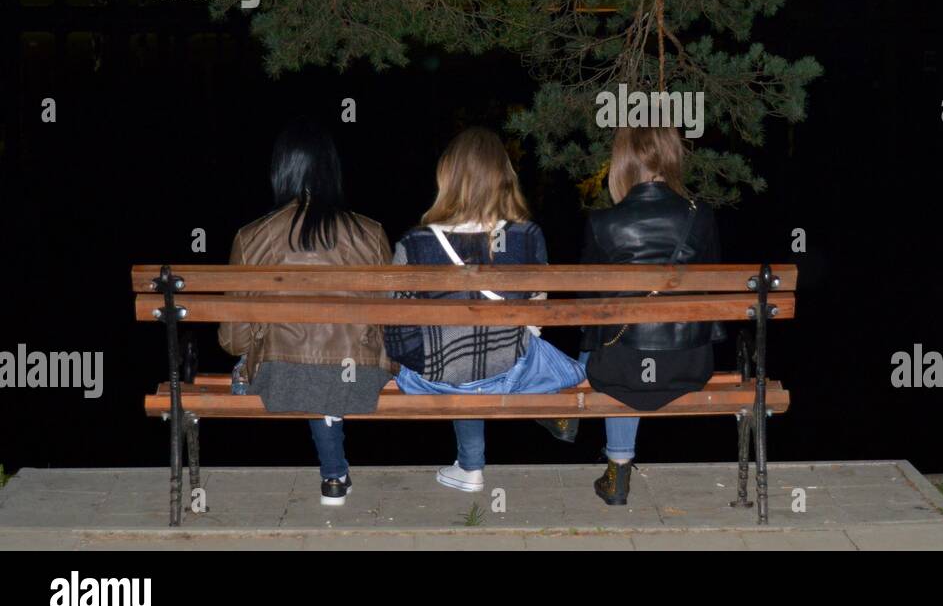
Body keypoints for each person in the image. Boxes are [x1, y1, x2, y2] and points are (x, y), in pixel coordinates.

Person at [385, 127, 585, 493]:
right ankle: (545, 397)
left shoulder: (416, 242)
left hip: (434, 380)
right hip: (509, 372)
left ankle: (470, 468)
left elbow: (395, 328)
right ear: (504, 179)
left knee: (461, 359)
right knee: (570, 369)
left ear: (447, 177)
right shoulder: (527, 235)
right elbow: (539, 313)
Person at [218, 118, 393, 507]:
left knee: (302, 373)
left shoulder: (250, 238)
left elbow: (231, 340)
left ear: (281, 170)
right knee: (326, 375)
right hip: (359, 379)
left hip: (278, 378)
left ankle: (335, 471)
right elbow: (389, 324)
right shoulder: (371, 231)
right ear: (332, 169)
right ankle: (334, 472)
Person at [579, 126, 723, 505]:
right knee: (621, 350)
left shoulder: (602, 222)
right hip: (689, 363)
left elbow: (587, 308)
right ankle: (616, 465)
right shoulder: (702, 216)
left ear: (622, 163)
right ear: (672, 158)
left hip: (621, 370)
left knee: (605, 349)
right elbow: (712, 293)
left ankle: (616, 465)